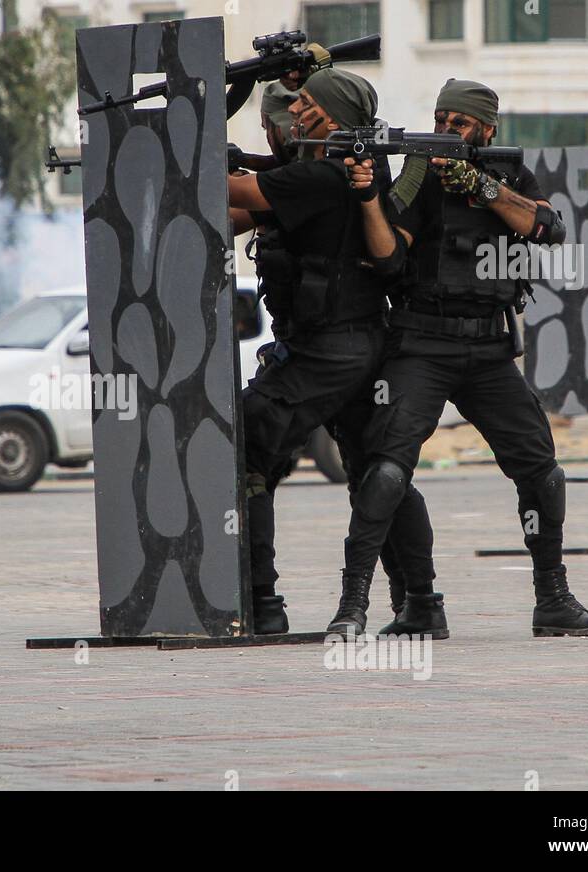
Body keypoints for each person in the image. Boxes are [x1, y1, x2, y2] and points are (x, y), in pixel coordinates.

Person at [343, 79, 588, 637]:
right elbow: (390, 259)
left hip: (490, 348)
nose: (446, 129)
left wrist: (481, 186)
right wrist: (371, 196)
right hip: (423, 341)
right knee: (387, 469)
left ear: (487, 129)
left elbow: (547, 229)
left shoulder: (509, 175)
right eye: (440, 117)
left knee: (542, 471)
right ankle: (362, 603)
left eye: (459, 122)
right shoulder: (420, 174)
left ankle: (553, 599)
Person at [228, 68, 439, 637]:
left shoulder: (323, 174)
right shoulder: (328, 172)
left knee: (246, 438)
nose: (294, 114)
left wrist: (189, 154)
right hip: (350, 344)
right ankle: (421, 600)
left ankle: (261, 603)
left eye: (307, 106)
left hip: (333, 350)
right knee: (377, 471)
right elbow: (237, 215)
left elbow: (236, 195)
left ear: (332, 119)